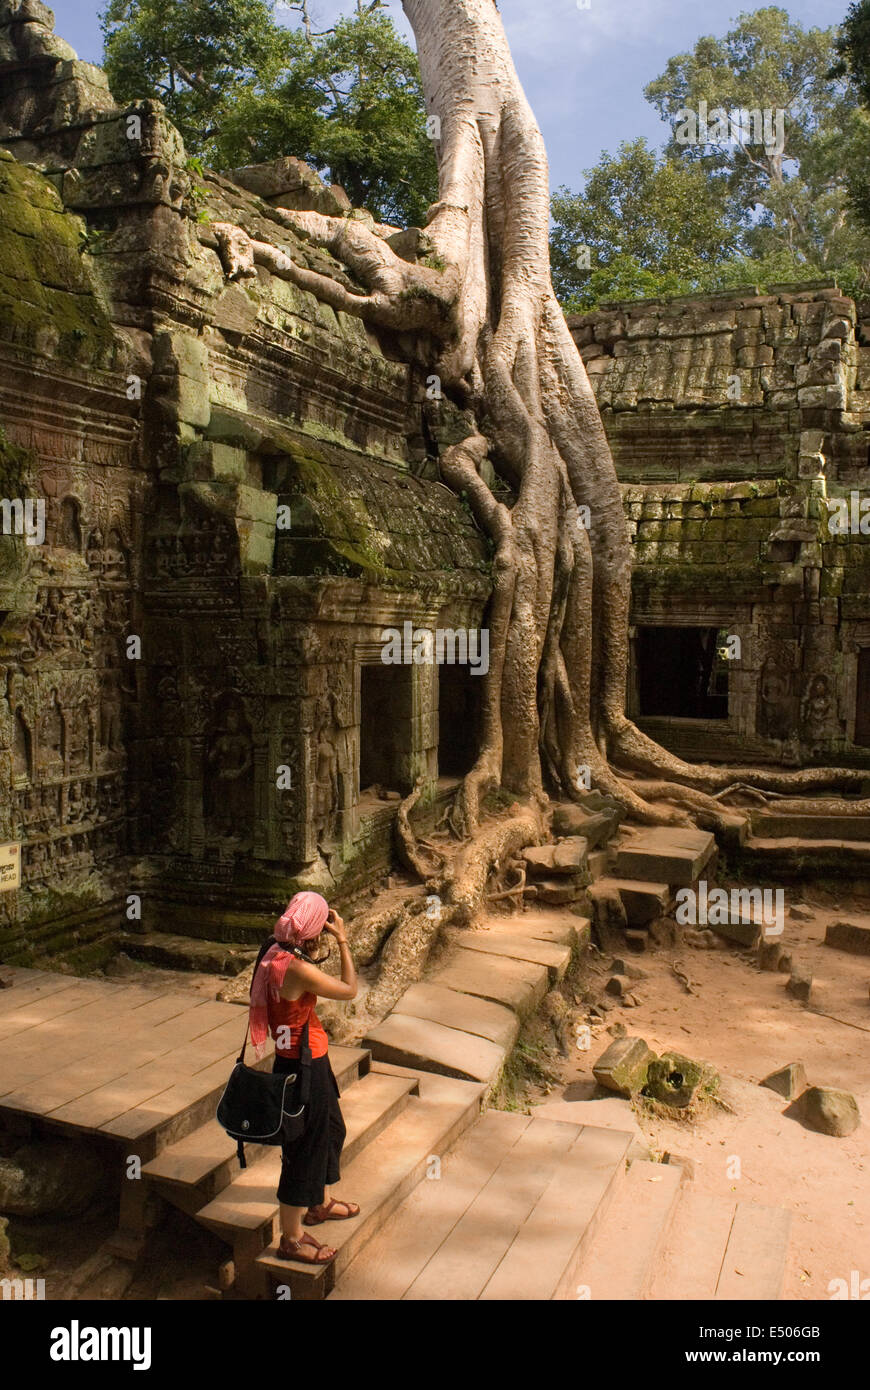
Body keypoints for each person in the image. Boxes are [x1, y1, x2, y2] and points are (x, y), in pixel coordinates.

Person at [248, 890, 360, 1265]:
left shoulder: (274, 948)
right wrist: (342, 940)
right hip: (302, 1068)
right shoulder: (295, 967)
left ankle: (319, 1203)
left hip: (306, 1060)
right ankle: (291, 1239)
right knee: (303, 1151)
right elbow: (349, 990)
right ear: (316, 930)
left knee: (331, 1128)